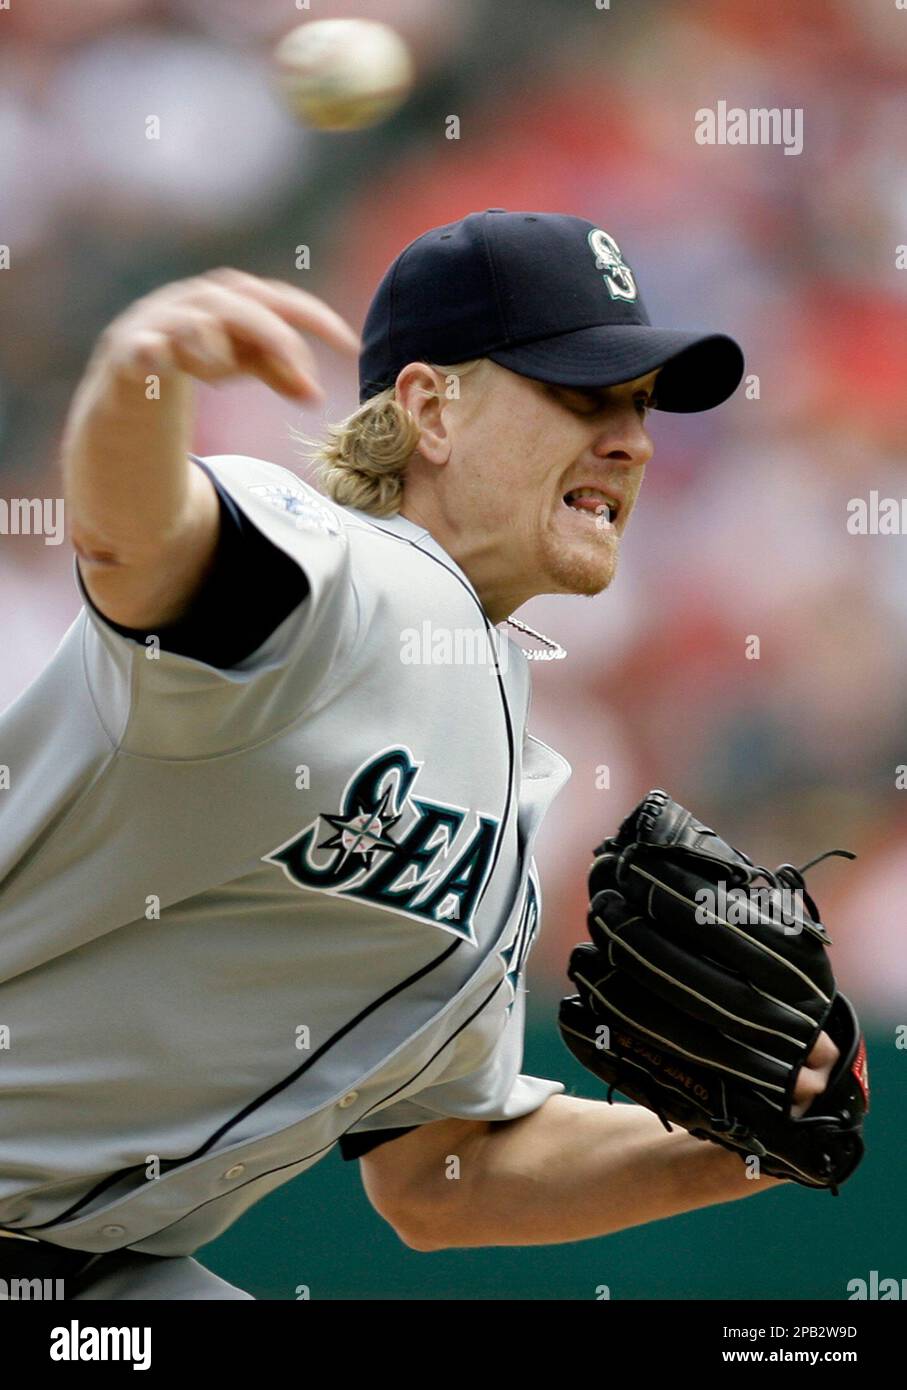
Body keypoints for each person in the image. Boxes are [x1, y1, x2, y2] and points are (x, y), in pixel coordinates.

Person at [0, 210, 840, 1300]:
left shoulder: (513, 757)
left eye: (637, 403)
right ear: (429, 407)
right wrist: (133, 385)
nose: (631, 439)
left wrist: (747, 1143)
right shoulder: (327, 572)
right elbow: (136, 542)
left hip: (99, 1267)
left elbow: (440, 1176)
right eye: (583, 394)